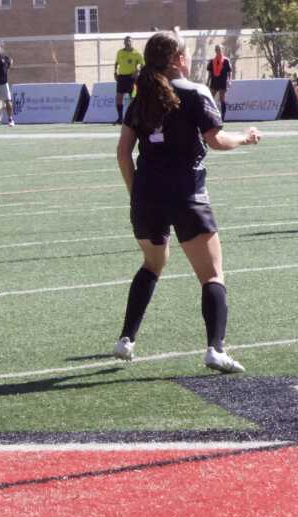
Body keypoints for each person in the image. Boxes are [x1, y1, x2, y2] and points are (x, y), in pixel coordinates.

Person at [112, 31, 262, 374]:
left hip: (147, 194)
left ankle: (126, 339)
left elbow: (122, 153)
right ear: (179, 59)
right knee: (212, 274)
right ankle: (216, 349)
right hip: (186, 193)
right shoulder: (194, 92)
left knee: (152, 264)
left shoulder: (141, 98)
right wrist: (246, 137)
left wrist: (136, 193)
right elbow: (216, 140)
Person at [113, 36, 143, 124]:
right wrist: (115, 73)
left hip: (131, 78)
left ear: (132, 42)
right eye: (126, 41)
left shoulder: (137, 53)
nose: (127, 42)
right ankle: (120, 118)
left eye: (129, 41)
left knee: (132, 98)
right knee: (119, 98)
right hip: (121, 78)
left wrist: (137, 71)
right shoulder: (120, 52)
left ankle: (133, 118)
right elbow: (116, 63)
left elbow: (142, 65)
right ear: (124, 42)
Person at [206, 45, 233, 114]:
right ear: (215, 50)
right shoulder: (212, 61)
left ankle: (222, 117)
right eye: (217, 49)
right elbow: (210, 73)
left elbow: (229, 71)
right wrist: (207, 82)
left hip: (222, 81)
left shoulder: (226, 60)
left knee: (222, 99)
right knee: (211, 98)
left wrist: (229, 80)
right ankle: (211, 114)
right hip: (214, 81)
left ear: (222, 50)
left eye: (219, 49)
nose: (218, 51)